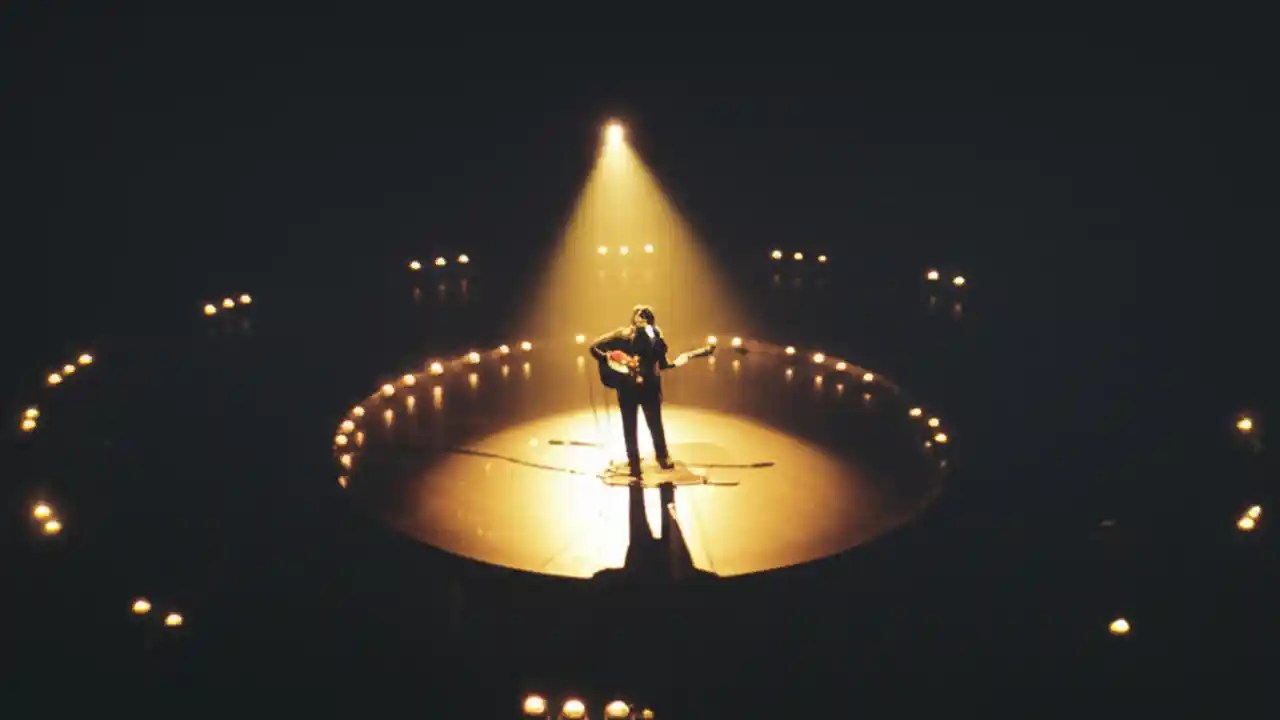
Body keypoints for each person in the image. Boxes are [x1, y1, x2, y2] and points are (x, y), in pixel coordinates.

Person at [589, 304, 685, 477]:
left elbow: (662, 361)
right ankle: (635, 460)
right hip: (627, 387)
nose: (642, 320)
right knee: (631, 424)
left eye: (646, 317)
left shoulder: (654, 337)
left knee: (654, 424)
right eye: (640, 316)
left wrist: (671, 359)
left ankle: (661, 457)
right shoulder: (622, 335)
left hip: (649, 387)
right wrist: (611, 361)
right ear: (633, 319)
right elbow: (594, 347)